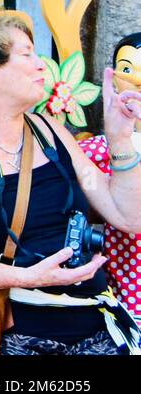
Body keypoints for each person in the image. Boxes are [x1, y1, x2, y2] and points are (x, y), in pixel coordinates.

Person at [0, 12, 141, 354]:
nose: (42, 65)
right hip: (15, 337)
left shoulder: (51, 131)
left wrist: (120, 138)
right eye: (27, 55)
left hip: (95, 327)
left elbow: (128, 216)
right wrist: (30, 277)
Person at [78, 32, 141, 320]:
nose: (137, 79)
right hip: (119, 299)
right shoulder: (94, 151)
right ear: (113, 77)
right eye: (127, 68)